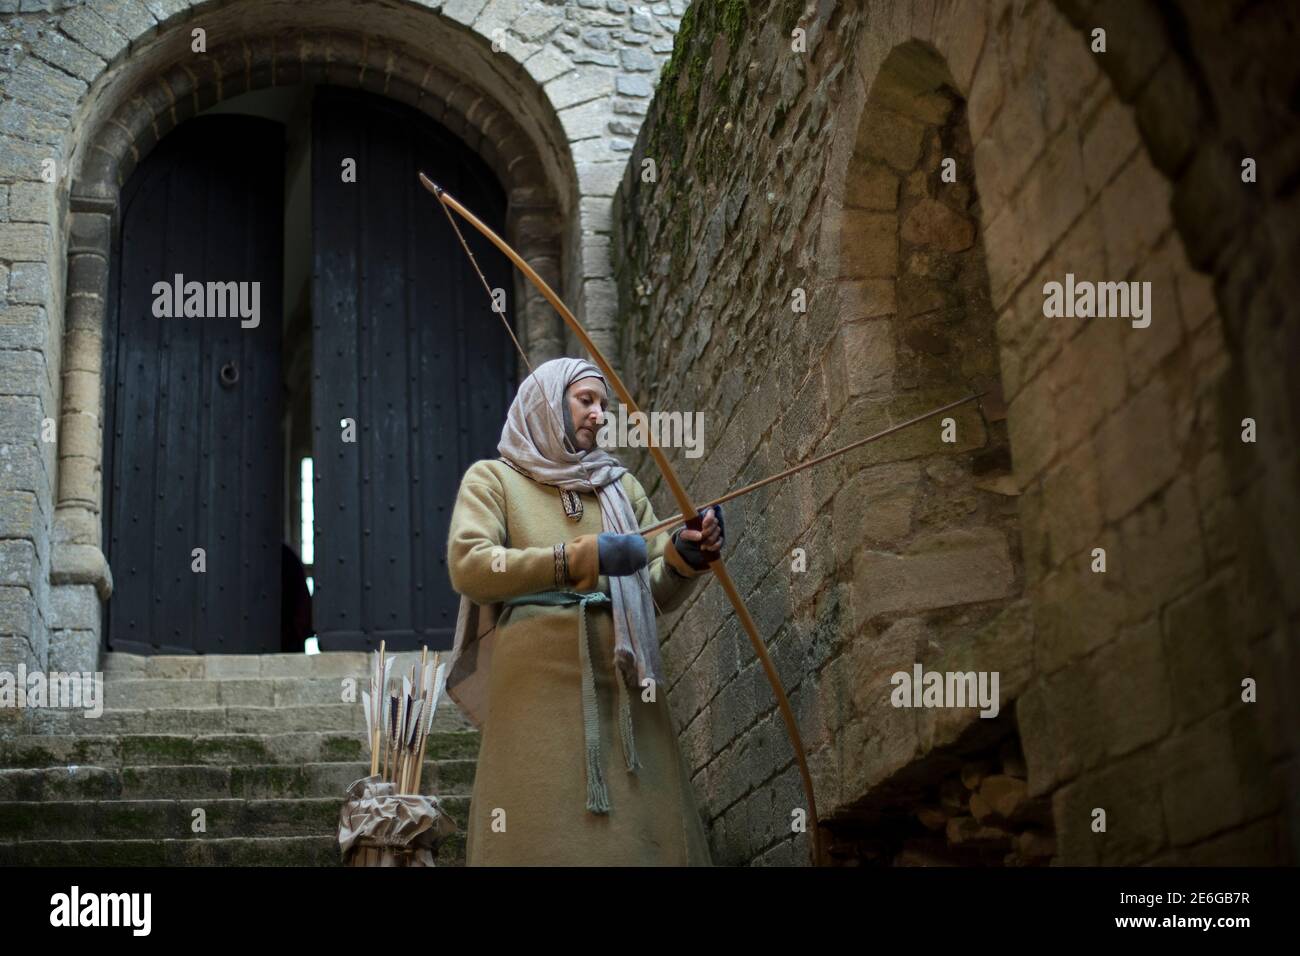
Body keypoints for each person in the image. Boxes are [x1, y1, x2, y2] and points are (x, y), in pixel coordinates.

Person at [444, 357, 725, 866]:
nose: (599, 415)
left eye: (604, 405)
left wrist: (686, 557)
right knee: (541, 831)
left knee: (642, 832)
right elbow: (472, 565)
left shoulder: (621, 489)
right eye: (586, 401)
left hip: (625, 687)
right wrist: (577, 557)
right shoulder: (494, 480)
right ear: (549, 402)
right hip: (534, 690)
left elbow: (652, 588)